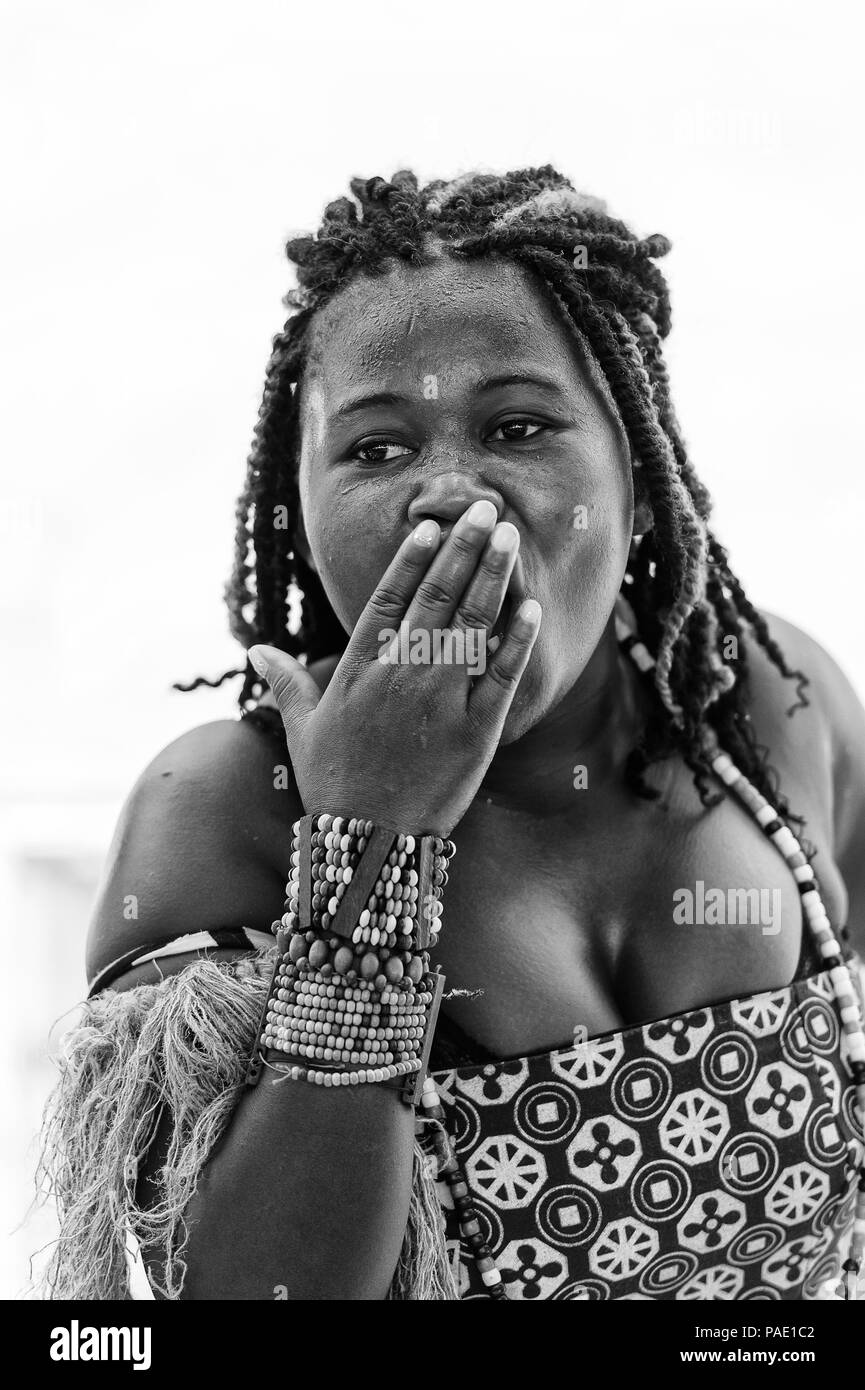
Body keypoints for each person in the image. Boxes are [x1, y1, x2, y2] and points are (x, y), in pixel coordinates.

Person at [40, 167, 865, 1301]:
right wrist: (371, 841)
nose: (453, 502)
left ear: (634, 462)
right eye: (375, 450)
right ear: (302, 497)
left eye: (518, 426)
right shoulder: (223, 811)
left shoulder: (762, 705)